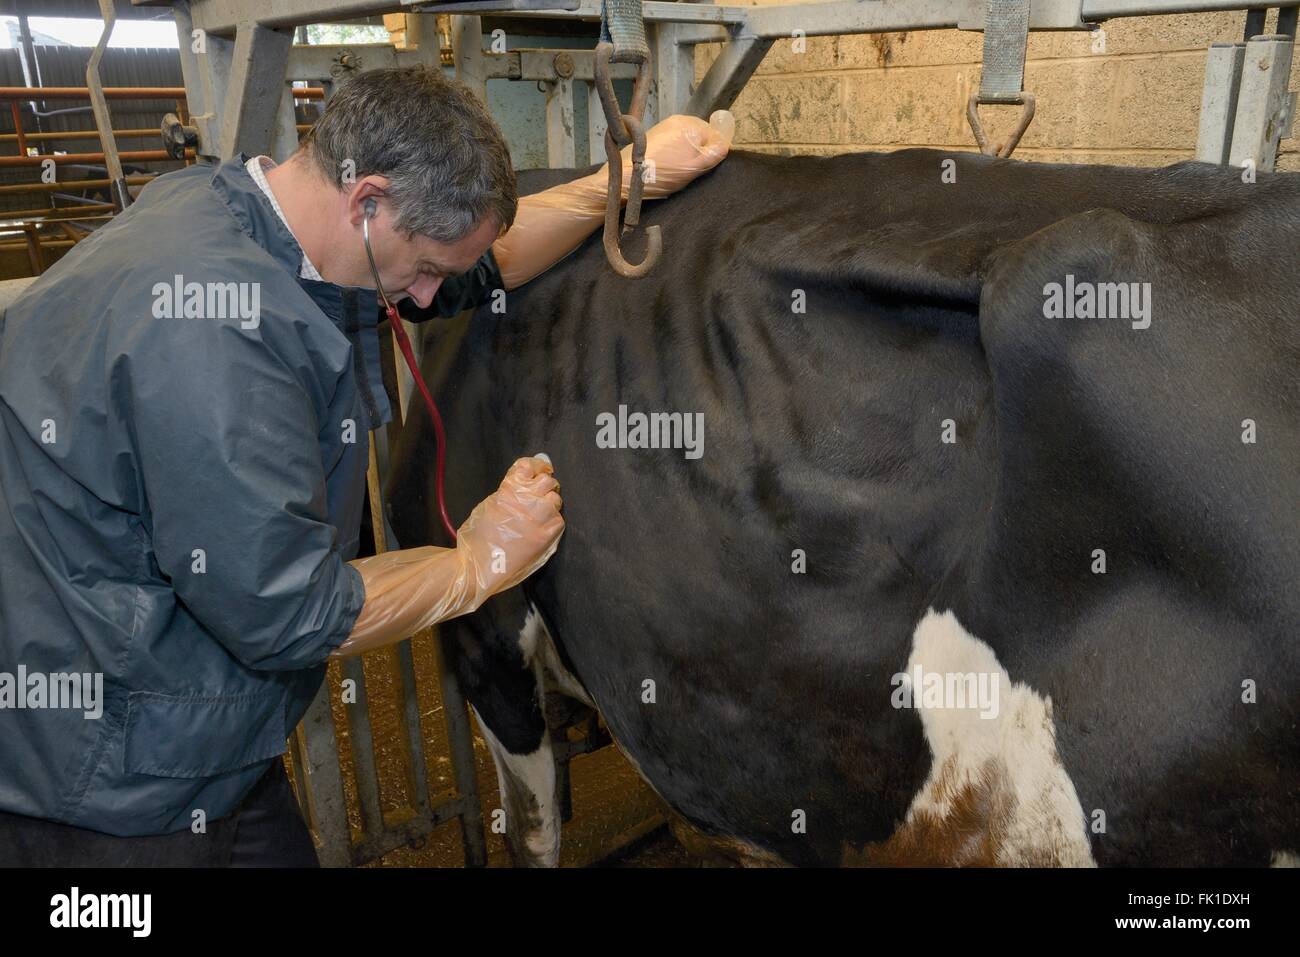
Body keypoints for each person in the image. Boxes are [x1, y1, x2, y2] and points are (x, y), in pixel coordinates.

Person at [0, 65, 732, 866]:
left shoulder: (252, 213)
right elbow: (294, 612)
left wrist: (621, 180)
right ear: (368, 199)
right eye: (422, 267)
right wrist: (478, 562)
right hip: (102, 778)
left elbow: (480, 269)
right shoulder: (213, 335)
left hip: (204, 742)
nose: (424, 301)